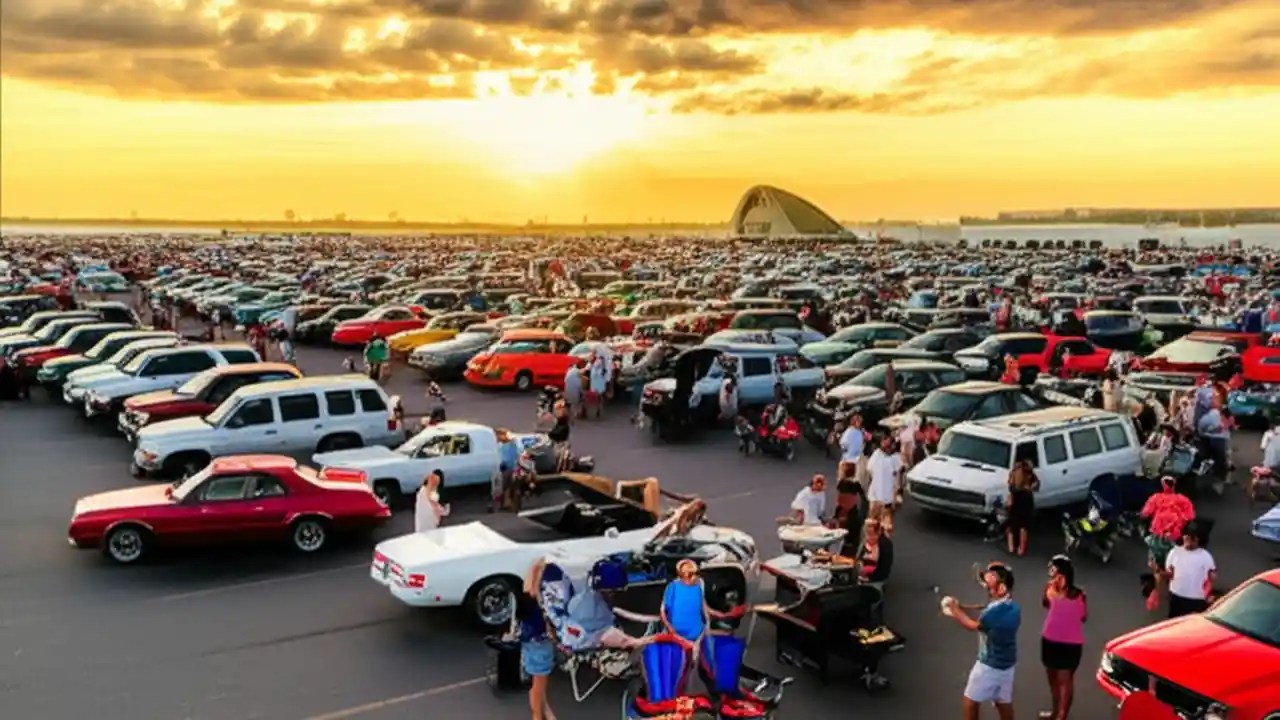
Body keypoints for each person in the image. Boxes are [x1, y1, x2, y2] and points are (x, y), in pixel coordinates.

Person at [943, 563, 1020, 720]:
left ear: (1001, 588)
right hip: (1007, 664)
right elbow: (984, 609)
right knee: (1002, 701)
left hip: (989, 666)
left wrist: (954, 609)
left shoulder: (992, 615)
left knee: (970, 702)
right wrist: (962, 607)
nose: (987, 585)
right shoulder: (1012, 607)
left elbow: (972, 625)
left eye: (991, 583)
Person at [1040, 556, 1086, 720]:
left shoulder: (1076, 594)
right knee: (1056, 679)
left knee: (1062, 680)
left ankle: (1061, 715)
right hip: (1054, 640)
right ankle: (1056, 712)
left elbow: (1082, 615)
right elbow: (1083, 616)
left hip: (1064, 642)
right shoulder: (1075, 593)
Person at [517, 560, 555, 720]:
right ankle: (538, 715)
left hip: (528, 641)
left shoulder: (526, 599)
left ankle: (543, 709)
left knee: (537, 683)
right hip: (540, 645)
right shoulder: (540, 604)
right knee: (538, 686)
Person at [1165, 523, 1216, 618]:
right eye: (1186, 536)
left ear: (1198, 540)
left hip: (1196, 598)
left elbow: (1212, 576)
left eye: (1192, 538)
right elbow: (1170, 574)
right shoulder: (1174, 552)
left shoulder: (1205, 556)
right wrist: (1160, 573)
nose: (1188, 540)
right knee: (1174, 622)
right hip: (1176, 595)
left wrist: (1208, 594)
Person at [866, 436, 901, 533]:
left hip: (887, 496)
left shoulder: (895, 457)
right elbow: (870, 470)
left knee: (885, 523)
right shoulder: (877, 454)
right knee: (873, 520)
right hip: (876, 494)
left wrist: (896, 492)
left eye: (889, 444)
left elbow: (897, 475)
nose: (888, 446)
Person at [1006, 458, 1040, 556]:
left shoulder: (1016, 472)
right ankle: (1018, 549)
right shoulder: (1027, 474)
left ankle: (1013, 548)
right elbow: (1036, 486)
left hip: (1019, 500)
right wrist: (1029, 488)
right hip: (1023, 500)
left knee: (1015, 526)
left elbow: (1011, 486)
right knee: (1022, 527)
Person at [857, 517, 893, 585]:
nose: (868, 537)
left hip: (876, 575)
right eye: (867, 534)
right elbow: (858, 558)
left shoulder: (884, 544)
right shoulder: (865, 542)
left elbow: (884, 567)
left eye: (871, 534)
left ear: (878, 532)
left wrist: (870, 577)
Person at [494, 428, 519, 512]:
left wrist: (503, 463)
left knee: (505, 486)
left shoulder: (511, 445)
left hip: (509, 468)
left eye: (500, 435)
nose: (498, 437)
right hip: (502, 468)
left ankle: (506, 504)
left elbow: (511, 457)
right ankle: (503, 504)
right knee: (502, 487)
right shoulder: (501, 445)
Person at [838, 415, 866, 486]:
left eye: (860, 422)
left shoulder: (861, 431)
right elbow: (843, 444)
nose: (860, 423)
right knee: (848, 477)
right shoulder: (849, 432)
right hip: (849, 458)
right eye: (858, 422)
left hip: (858, 457)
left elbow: (868, 437)